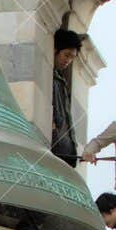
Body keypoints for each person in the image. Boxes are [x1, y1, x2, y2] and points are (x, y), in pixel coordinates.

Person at [51, 28, 85, 166]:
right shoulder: (50, 78)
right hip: (56, 147)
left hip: (65, 150)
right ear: (55, 50)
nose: (68, 60)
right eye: (66, 55)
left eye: (72, 57)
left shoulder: (60, 81)